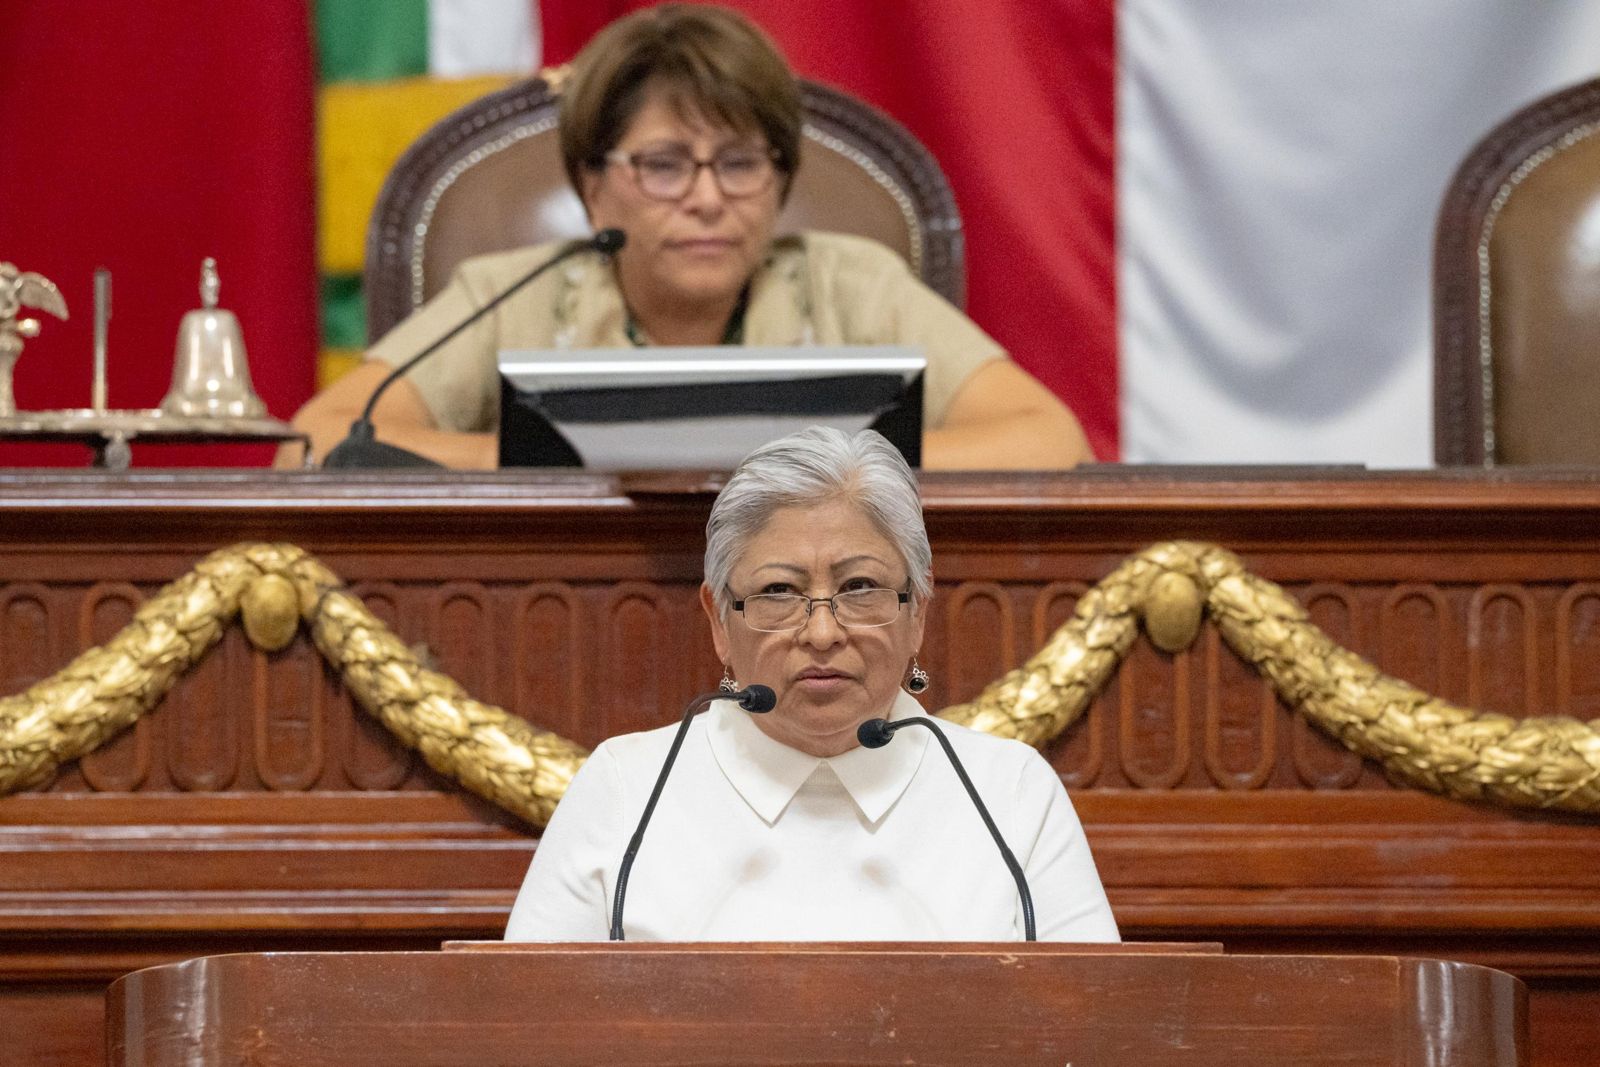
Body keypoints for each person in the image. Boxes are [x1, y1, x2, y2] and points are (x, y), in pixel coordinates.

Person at [282, 4, 1093, 471]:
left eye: (739, 163)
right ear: (594, 189)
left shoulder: (851, 280)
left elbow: (1050, 439)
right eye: (664, 165)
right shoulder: (512, 291)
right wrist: (559, 465)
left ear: (779, 182)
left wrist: (796, 461)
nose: (707, 199)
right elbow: (315, 442)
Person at [504, 426, 1118, 941]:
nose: (822, 633)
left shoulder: (1008, 795)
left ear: (918, 614)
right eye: (779, 591)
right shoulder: (626, 792)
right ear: (719, 621)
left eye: (859, 588)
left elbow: (1096, 1022)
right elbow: (525, 1025)